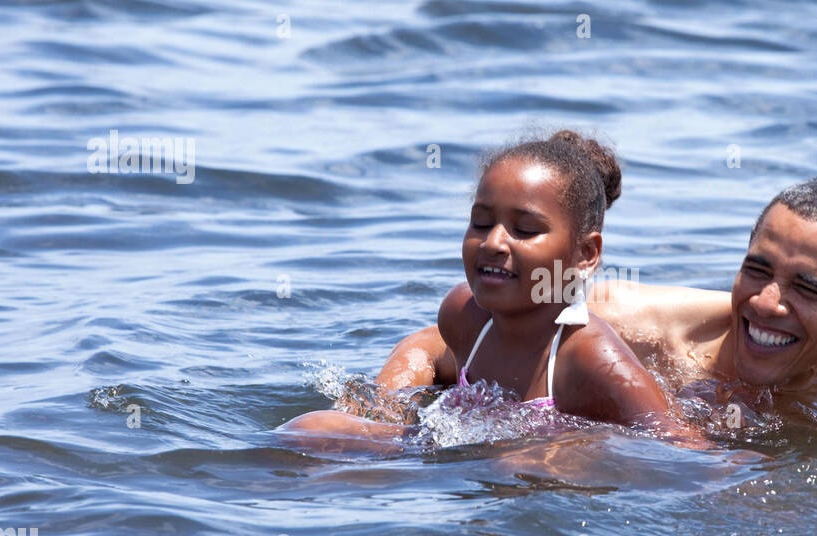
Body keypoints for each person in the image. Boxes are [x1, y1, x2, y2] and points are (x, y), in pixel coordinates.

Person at [376, 177, 817, 423]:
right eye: (757, 270)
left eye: (808, 289)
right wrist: (385, 419)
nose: (768, 304)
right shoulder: (631, 322)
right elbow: (433, 345)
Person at [279, 130, 675, 445]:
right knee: (312, 429)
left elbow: (681, 449)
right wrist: (386, 407)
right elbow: (426, 353)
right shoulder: (465, 316)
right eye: (481, 223)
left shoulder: (589, 357)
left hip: (549, 495)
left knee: (518, 462)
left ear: (585, 254)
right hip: (467, 486)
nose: (493, 243)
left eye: (525, 230)